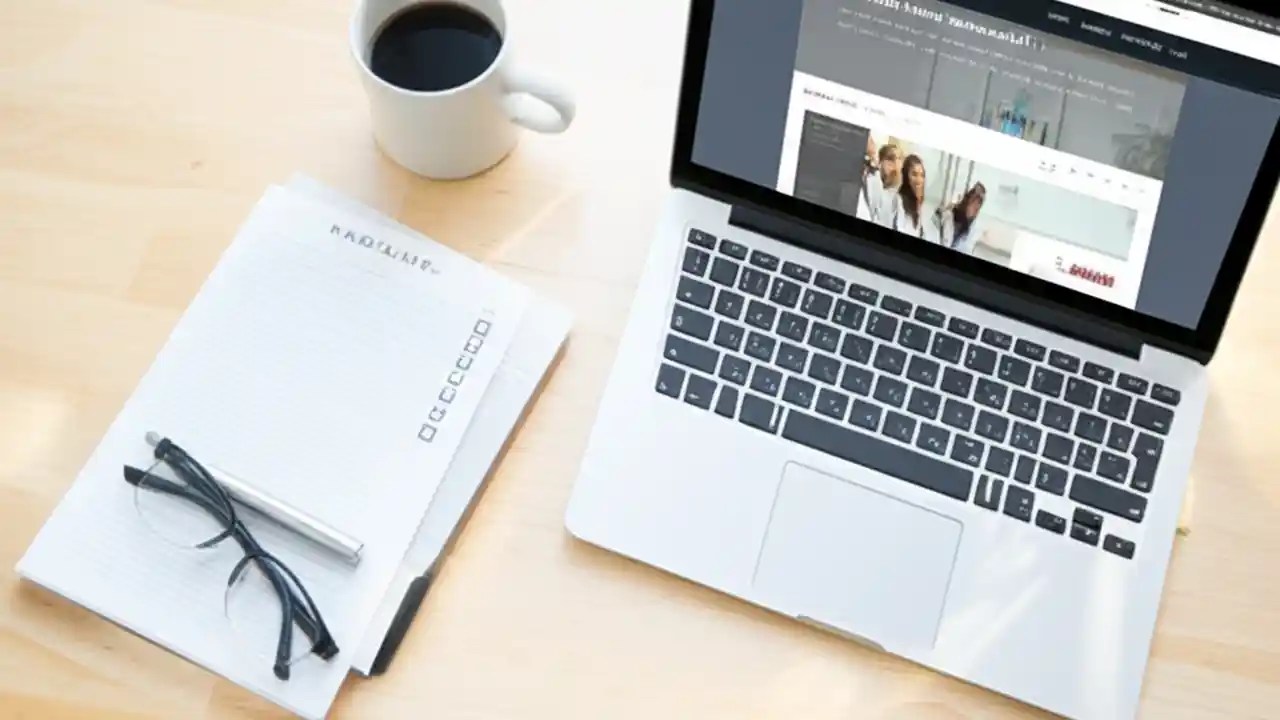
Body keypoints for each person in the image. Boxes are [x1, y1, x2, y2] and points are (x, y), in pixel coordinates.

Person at [889, 154, 938, 242]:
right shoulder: (898, 201)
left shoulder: (920, 207)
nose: (919, 180)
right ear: (906, 176)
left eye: (922, 175)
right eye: (914, 174)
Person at [854, 141, 902, 225]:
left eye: (899, 160)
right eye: (890, 160)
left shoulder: (898, 198)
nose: (895, 166)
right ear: (880, 162)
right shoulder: (871, 179)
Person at [937, 182, 987, 254]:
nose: (976, 212)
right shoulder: (948, 216)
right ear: (967, 201)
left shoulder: (969, 227)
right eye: (974, 206)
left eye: (978, 209)